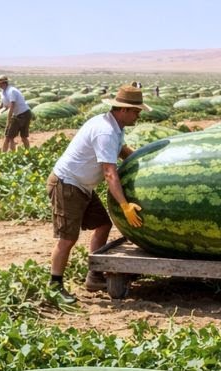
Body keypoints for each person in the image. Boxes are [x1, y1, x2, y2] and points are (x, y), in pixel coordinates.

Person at [46, 84, 147, 302]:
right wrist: (124, 205)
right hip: (67, 185)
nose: (138, 116)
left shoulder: (115, 126)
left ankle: (94, 275)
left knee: (103, 224)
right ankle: (55, 286)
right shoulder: (105, 131)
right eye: (136, 111)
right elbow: (110, 173)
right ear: (123, 110)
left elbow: (121, 150)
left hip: (82, 186)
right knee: (67, 239)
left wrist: (141, 159)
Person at [0, 75, 32, 151]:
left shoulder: (11, 91)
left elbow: (12, 106)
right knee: (11, 137)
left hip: (24, 114)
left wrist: (9, 120)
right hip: (21, 114)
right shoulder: (4, 92)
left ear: (4, 83)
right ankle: (13, 154)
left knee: (10, 136)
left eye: (0, 84)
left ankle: (7, 154)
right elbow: (3, 106)